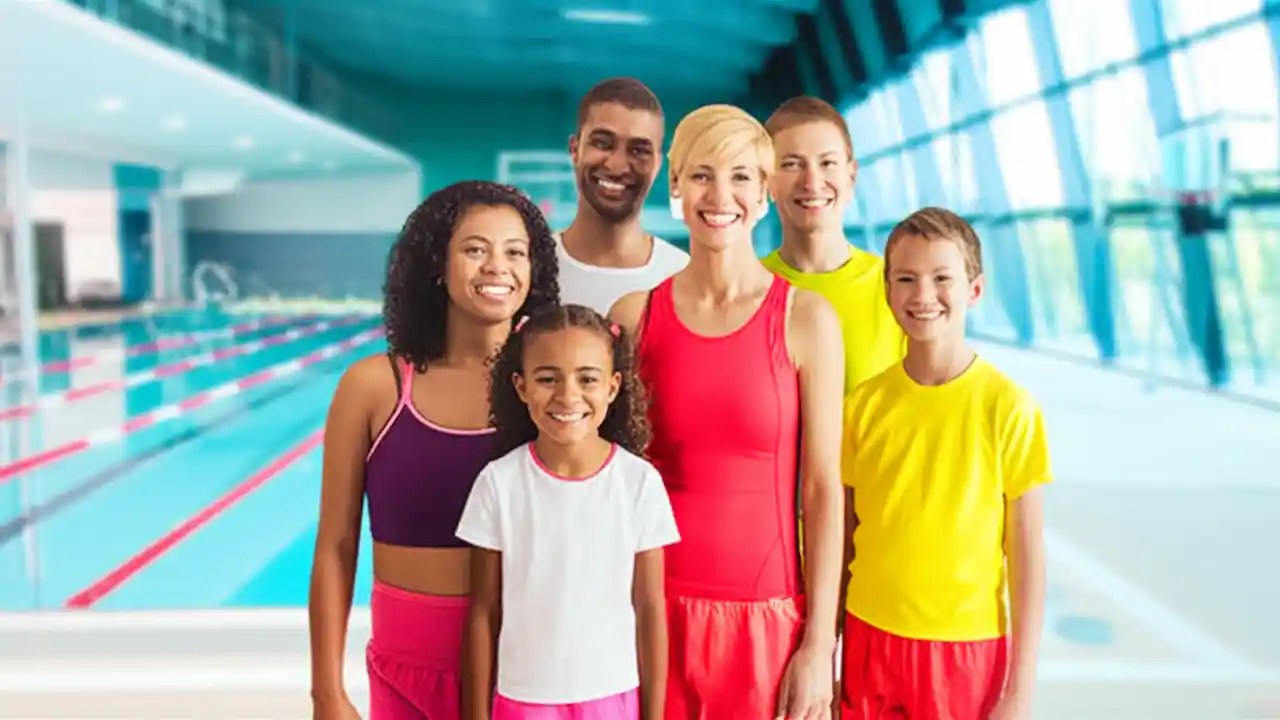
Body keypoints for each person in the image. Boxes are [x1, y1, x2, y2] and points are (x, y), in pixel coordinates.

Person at [609, 104, 845, 720]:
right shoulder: (635, 317)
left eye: (741, 176)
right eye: (702, 175)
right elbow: (607, 479)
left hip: (767, 621)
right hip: (651, 611)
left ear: (765, 194)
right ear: (676, 186)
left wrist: (819, 644)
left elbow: (822, 490)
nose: (721, 195)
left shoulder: (806, 319)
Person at [309, 180, 560, 720]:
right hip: (406, 667)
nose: (498, 266)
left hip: (524, 665)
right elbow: (336, 544)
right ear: (437, 265)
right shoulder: (375, 387)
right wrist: (326, 690)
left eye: (516, 252)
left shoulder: (551, 393)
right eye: (475, 249)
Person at [838, 207, 1050, 720]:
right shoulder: (862, 406)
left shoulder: (1008, 407)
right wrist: (826, 646)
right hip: (870, 636)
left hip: (966, 650)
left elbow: (1025, 558)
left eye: (941, 279)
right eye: (906, 279)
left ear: (974, 290)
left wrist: (1019, 691)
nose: (922, 295)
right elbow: (842, 537)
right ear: (887, 291)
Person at [458, 303, 679, 720]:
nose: (567, 396)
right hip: (523, 700)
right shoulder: (498, 484)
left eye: (587, 379)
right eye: (547, 379)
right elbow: (483, 612)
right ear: (521, 387)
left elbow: (649, 608)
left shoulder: (638, 484)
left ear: (613, 387)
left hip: (613, 698)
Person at [761, 96, 904, 394]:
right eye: (791, 164)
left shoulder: (898, 288)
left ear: (851, 177)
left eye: (827, 163)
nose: (812, 181)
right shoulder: (744, 289)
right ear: (767, 183)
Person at [556, 77, 688, 314]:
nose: (617, 166)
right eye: (603, 143)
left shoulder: (683, 277)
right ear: (575, 150)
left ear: (658, 163)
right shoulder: (526, 270)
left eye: (639, 150)